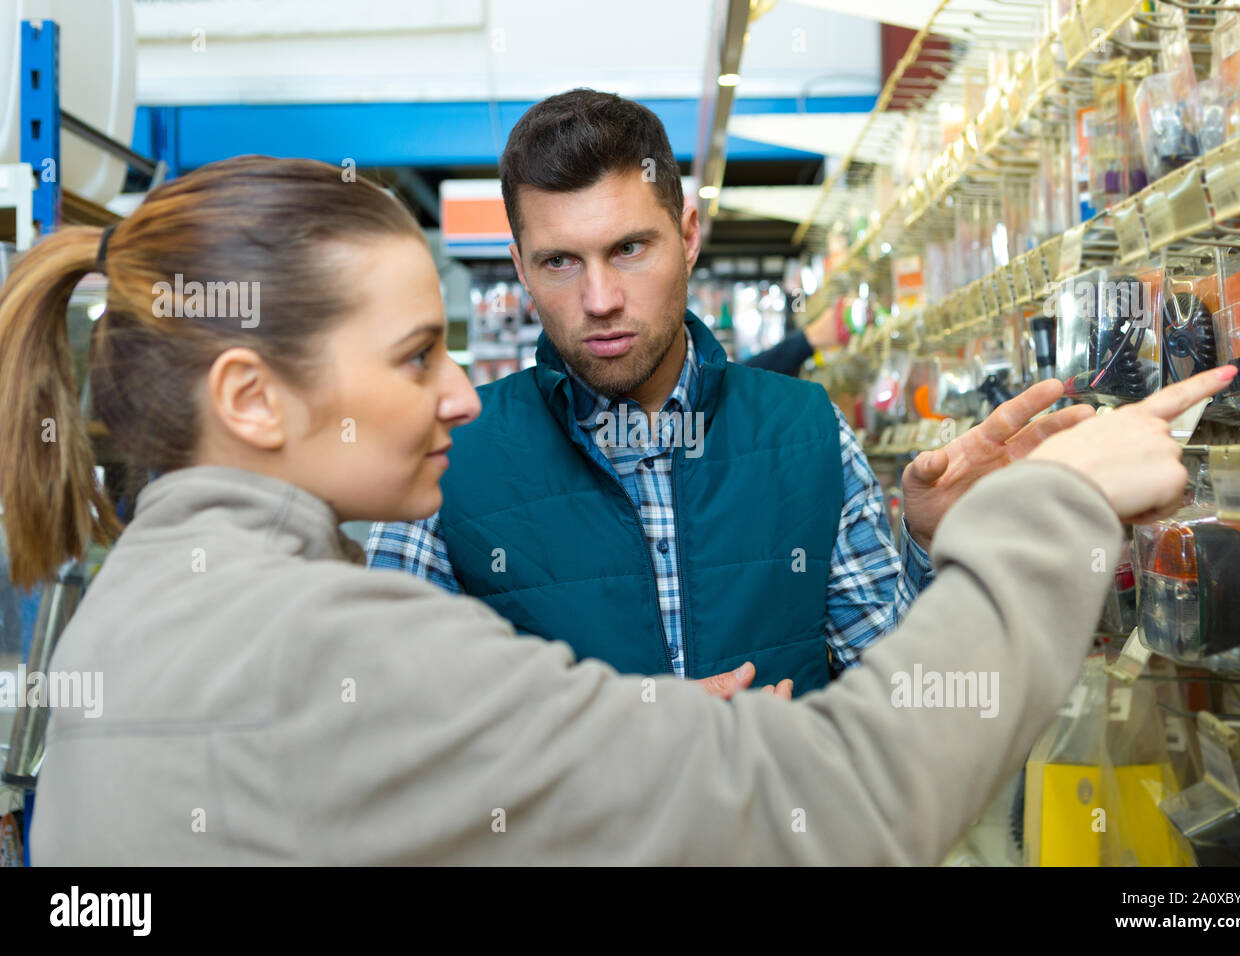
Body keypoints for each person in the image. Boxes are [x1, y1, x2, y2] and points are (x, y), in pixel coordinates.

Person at [0, 156, 1233, 865]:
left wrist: (613, 743)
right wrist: (1053, 508)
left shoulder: (138, 608)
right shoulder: (320, 642)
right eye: (416, 353)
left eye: (631, 247)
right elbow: (846, 796)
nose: (457, 396)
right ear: (253, 398)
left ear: (689, 239)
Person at [366, 90, 1094, 698]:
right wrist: (614, 742)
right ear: (521, 269)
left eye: (629, 248)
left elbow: (902, 697)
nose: (600, 298)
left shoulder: (805, 431)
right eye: (560, 261)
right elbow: (392, 731)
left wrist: (936, 549)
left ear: (687, 236)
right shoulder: (446, 460)